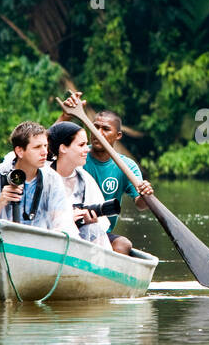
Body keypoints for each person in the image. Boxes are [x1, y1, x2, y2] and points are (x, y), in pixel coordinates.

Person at [57, 95, 154, 255]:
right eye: (95, 127)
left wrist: (146, 195)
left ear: (118, 136)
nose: (98, 133)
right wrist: (64, 117)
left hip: (99, 230)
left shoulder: (127, 166)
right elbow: (44, 146)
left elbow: (141, 204)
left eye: (106, 129)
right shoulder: (77, 153)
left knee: (123, 245)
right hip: (65, 225)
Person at [0, 121, 75, 233]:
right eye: (37, 147)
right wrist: (0, 202)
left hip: (40, 245)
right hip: (1, 239)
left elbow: (63, 223)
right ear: (19, 151)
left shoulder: (52, 179)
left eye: (45, 146)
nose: (44, 152)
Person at [46, 120, 111, 249]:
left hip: (76, 240)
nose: (87, 149)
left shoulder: (85, 179)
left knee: (93, 229)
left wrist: (91, 220)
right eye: (81, 145)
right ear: (63, 148)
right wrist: (67, 219)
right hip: (47, 240)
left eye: (86, 144)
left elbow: (103, 225)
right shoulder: (42, 176)